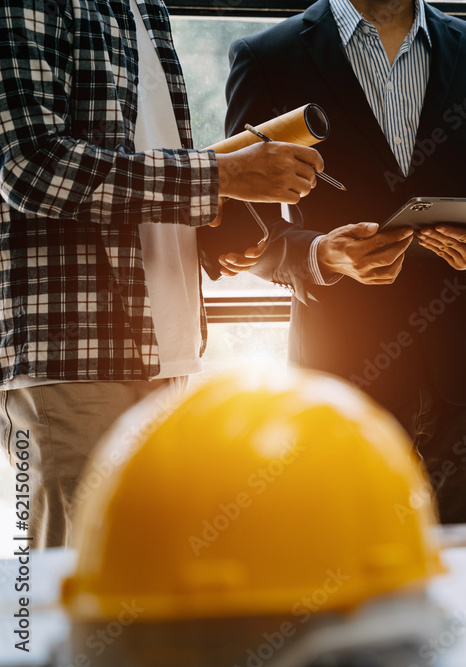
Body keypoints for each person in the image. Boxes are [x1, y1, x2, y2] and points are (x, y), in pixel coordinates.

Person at [198, 0, 466, 524]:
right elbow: (237, 225)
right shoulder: (268, 55)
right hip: (339, 375)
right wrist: (320, 254)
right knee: (346, 574)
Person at [0, 0, 324, 548]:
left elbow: (137, 161)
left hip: (167, 347)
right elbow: (30, 166)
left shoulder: (146, 10)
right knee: (71, 585)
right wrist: (220, 174)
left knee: (153, 580)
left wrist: (200, 240)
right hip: (71, 352)